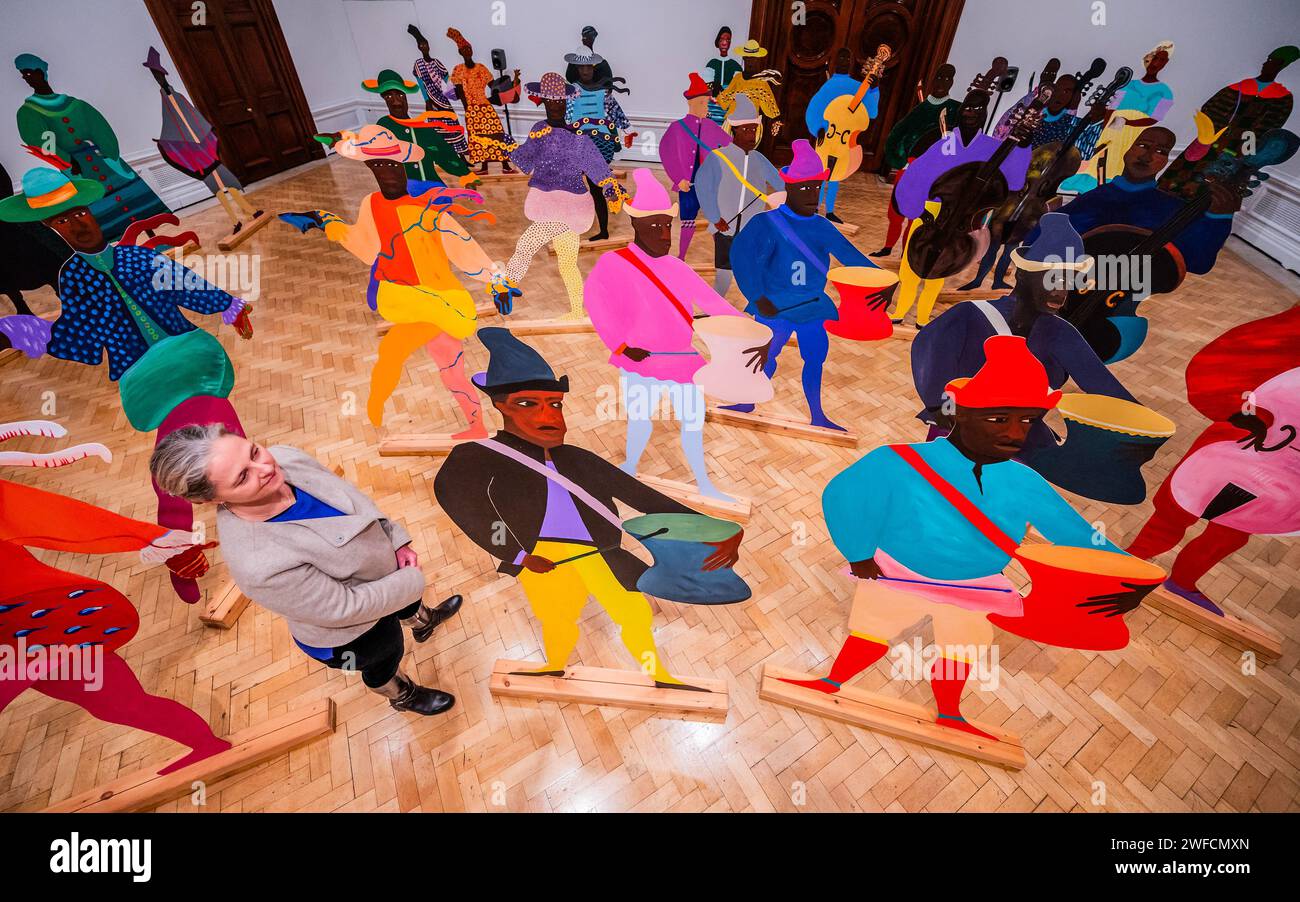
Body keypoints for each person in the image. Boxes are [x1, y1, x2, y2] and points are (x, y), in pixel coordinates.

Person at [784, 336, 1154, 741]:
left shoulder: (1025, 481)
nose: (1016, 433)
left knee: (961, 648)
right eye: (999, 419)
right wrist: (858, 553)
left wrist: (1130, 575)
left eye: (1027, 420)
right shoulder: (897, 459)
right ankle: (832, 683)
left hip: (977, 584)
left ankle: (949, 713)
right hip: (898, 571)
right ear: (961, 412)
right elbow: (843, 496)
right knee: (870, 630)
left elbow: (1077, 535)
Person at [0, 165, 252, 604]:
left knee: (186, 461)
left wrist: (229, 304)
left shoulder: (137, 257)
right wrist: (36, 335)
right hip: (144, 378)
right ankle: (234, 524)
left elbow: (185, 285)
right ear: (49, 228)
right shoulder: (74, 279)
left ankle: (210, 539)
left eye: (78, 212)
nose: (75, 224)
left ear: (91, 211)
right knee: (200, 454)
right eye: (60, 220)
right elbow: (81, 338)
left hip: (192, 360)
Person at [434, 328, 742, 686]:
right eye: (527, 403)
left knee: (634, 612)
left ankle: (658, 675)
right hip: (542, 556)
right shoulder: (475, 456)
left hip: (602, 550)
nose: (549, 416)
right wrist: (517, 555)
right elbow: (465, 507)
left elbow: (642, 496)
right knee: (556, 616)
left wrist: (719, 530)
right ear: (500, 405)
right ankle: (554, 664)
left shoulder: (579, 458)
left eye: (555, 404)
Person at [150, 424, 463, 716]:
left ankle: (422, 622)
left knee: (408, 603)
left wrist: (396, 541)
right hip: (354, 634)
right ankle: (401, 694)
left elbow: (354, 499)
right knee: (386, 656)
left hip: (391, 576)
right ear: (212, 498)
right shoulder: (257, 563)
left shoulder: (287, 457)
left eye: (255, 451)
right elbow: (343, 608)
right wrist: (411, 580)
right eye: (243, 476)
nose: (267, 468)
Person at [1, 419, 228, 775]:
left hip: (38, 628)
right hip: (32, 634)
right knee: (117, 704)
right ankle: (206, 744)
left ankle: (207, 744)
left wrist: (146, 537)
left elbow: (56, 518)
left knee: (118, 704)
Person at [303, 125, 513, 434]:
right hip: (403, 300)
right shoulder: (371, 205)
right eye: (378, 165)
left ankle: (476, 424)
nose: (386, 172)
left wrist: (497, 281)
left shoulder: (427, 206)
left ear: (402, 164)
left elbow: (463, 246)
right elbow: (364, 244)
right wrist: (327, 222)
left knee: (447, 367)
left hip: (439, 301)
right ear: (370, 170)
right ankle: (379, 408)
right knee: (394, 357)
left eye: (391, 164)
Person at [586, 169, 757, 502]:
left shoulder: (678, 268)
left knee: (693, 425)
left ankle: (704, 484)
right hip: (639, 360)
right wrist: (621, 346)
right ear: (636, 226)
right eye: (655, 227)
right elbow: (598, 307)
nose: (665, 235)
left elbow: (715, 304)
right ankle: (631, 466)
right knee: (640, 421)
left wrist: (752, 330)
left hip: (682, 360)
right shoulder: (612, 263)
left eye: (668, 226)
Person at [1127, 305, 1300, 615]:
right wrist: (1242, 415)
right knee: (1176, 512)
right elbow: (1225, 366)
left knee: (1232, 533)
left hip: (1285, 475)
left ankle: (1182, 582)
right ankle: (1133, 559)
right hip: (1238, 445)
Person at [911, 213, 1134, 454]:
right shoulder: (968, 315)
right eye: (1052, 279)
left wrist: (1143, 427)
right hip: (957, 433)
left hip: (1018, 445)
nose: (1061, 291)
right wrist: (943, 410)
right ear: (1022, 275)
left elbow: (1108, 390)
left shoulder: (1061, 333)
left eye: (1068, 281)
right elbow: (927, 355)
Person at [725, 139, 879, 431]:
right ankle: (747, 400)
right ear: (789, 189)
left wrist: (882, 279)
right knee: (766, 356)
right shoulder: (766, 222)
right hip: (774, 306)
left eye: (816, 188)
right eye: (805, 188)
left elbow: (852, 258)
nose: (812, 195)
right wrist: (757, 296)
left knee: (815, 359)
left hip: (811, 307)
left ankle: (817, 414)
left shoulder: (822, 226)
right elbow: (742, 259)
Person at [890, 83, 1031, 327]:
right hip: (932, 211)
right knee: (910, 262)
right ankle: (900, 310)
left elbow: (1015, 180)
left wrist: (1022, 146)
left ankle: (923, 317)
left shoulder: (991, 147)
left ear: (984, 114)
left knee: (942, 268)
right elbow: (918, 174)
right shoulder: (946, 143)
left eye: (977, 108)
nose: (970, 112)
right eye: (967, 107)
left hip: (965, 216)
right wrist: (917, 209)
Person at [961, 73, 1107, 291]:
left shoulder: (1071, 124)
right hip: (1017, 185)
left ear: (1073, 98)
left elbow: (1084, 152)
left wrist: (1096, 121)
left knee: (1015, 243)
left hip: (1040, 196)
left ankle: (1000, 279)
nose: (1061, 94)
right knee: (995, 236)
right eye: (1059, 88)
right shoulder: (1033, 116)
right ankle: (978, 279)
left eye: (1068, 91)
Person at [1027, 126, 1238, 276]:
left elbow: (1198, 262)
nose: (1147, 156)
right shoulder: (1094, 198)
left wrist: (1218, 218)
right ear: (1127, 151)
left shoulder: (1171, 208)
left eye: (1160, 151)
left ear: (1165, 162)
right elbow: (1034, 244)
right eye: (1143, 145)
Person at [505, 72, 625, 319]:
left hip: (569, 208)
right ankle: (576, 310)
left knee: (526, 245)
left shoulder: (579, 139)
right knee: (566, 263)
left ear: (566, 102)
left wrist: (611, 188)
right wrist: (504, 142)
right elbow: (525, 160)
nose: (556, 105)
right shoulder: (539, 131)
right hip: (549, 204)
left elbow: (598, 170)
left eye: (559, 101)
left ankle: (504, 286)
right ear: (544, 102)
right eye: (551, 101)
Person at [14, 52, 170, 241]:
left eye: (31, 73)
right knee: (101, 207)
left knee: (134, 201)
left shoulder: (75, 104)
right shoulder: (28, 113)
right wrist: (68, 161)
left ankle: (153, 237)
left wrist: (108, 152)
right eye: (24, 74)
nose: (27, 78)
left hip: (101, 159)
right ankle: (127, 246)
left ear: (42, 72)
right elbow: (41, 141)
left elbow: (100, 129)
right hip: (77, 169)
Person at [144, 47, 264, 241]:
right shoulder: (167, 102)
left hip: (207, 151)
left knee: (230, 184)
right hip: (197, 157)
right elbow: (172, 125)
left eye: (159, 74)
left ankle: (250, 211)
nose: (159, 79)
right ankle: (235, 221)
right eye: (155, 75)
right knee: (219, 192)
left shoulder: (179, 99)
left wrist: (208, 139)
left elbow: (193, 118)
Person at [1160, 45, 1297, 201]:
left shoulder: (1283, 98)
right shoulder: (1238, 87)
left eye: (1273, 62)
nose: (1266, 64)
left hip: (1238, 148)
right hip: (1211, 139)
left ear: (1280, 66)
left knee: (1211, 190)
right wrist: (1215, 132)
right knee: (1179, 177)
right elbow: (1209, 109)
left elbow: (1268, 128)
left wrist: (1245, 151)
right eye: (1268, 60)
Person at [696, 95, 784, 294]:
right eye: (746, 129)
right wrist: (714, 217)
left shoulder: (759, 159)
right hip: (724, 226)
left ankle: (757, 309)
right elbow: (703, 187)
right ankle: (714, 310)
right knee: (724, 272)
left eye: (753, 129)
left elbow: (780, 183)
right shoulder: (718, 157)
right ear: (735, 129)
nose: (751, 135)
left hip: (752, 228)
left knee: (754, 271)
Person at [1063, 42, 1175, 193]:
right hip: (1114, 127)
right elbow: (1112, 108)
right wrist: (1104, 128)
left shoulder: (1164, 91)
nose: (1155, 63)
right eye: (1154, 58)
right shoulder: (1128, 85)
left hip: (1135, 133)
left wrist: (1130, 122)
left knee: (1118, 165)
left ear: (1165, 64)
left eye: (1161, 60)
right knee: (1101, 159)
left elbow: (1155, 118)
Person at [874, 63, 960, 256]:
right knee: (896, 210)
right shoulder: (920, 109)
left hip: (934, 173)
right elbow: (896, 134)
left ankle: (907, 254)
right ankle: (888, 247)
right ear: (932, 80)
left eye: (947, 79)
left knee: (919, 215)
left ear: (952, 82)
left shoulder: (956, 110)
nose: (942, 83)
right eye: (939, 78)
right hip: (910, 166)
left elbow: (958, 143)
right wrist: (899, 161)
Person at [367, 68, 477, 192]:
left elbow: (444, 153)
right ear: (384, 99)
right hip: (404, 189)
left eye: (400, 94)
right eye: (389, 96)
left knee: (444, 202)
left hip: (431, 183)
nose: (396, 101)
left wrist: (466, 175)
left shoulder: (423, 128)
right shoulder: (383, 126)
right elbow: (373, 155)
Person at [661, 74, 733, 261]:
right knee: (687, 220)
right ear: (692, 103)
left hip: (711, 184)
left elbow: (730, 147)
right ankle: (682, 255)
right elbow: (666, 154)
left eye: (707, 103)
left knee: (718, 220)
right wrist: (678, 179)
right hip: (688, 183)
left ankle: (723, 258)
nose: (706, 107)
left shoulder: (711, 126)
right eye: (703, 103)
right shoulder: (676, 128)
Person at [565, 47, 633, 241]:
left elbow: (617, 113)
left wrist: (628, 131)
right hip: (578, 142)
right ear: (577, 69)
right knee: (576, 184)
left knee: (596, 186)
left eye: (588, 67)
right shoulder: (571, 92)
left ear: (594, 67)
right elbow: (567, 117)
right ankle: (576, 226)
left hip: (601, 143)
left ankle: (603, 229)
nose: (585, 71)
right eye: (581, 67)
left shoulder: (604, 93)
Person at [806, 49, 880, 223]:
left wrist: (874, 89)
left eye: (847, 58)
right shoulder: (828, 85)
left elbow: (872, 112)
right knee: (822, 173)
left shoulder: (857, 87)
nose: (844, 61)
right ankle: (815, 206)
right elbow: (814, 109)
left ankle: (830, 211)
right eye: (841, 58)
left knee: (836, 176)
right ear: (833, 61)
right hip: (827, 138)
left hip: (845, 141)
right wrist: (818, 128)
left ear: (852, 62)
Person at [447, 27, 517, 174]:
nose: (467, 51)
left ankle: (505, 165)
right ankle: (484, 167)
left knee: (497, 134)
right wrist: (468, 110)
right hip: (472, 110)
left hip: (485, 107)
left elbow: (494, 86)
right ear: (460, 52)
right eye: (464, 50)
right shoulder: (458, 70)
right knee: (479, 138)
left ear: (471, 50)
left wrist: (510, 83)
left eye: (469, 49)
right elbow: (460, 91)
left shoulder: (481, 68)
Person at [407, 24, 471, 157]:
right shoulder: (419, 64)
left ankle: (461, 155)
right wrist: (427, 101)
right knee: (438, 127)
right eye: (421, 45)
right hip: (431, 99)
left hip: (443, 98)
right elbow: (421, 84)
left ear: (429, 46)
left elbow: (447, 79)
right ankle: (445, 155)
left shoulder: (436, 62)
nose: (424, 47)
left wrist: (455, 92)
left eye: (425, 45)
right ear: (419, 47)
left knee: (452, 122)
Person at [716, 39, 782, 140]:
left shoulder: (761, 83)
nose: (751, 62)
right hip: (731, 125)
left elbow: (771, 108)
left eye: (753, 59)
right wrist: (718, 91)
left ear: (758, 60)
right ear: (744, 59)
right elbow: (725, 100)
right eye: (748, 59)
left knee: (744, 151)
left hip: (749, 126)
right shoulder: (738, 78)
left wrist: (776, 121)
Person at [703, 26, 742, 124]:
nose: (724, 43)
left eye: (728, 40)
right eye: (722, 39)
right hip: (712, 106)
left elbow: (737, 88)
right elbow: (706, 86)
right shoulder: (712, 64)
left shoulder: (735, 66)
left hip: (728, 107)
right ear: (718, 42)